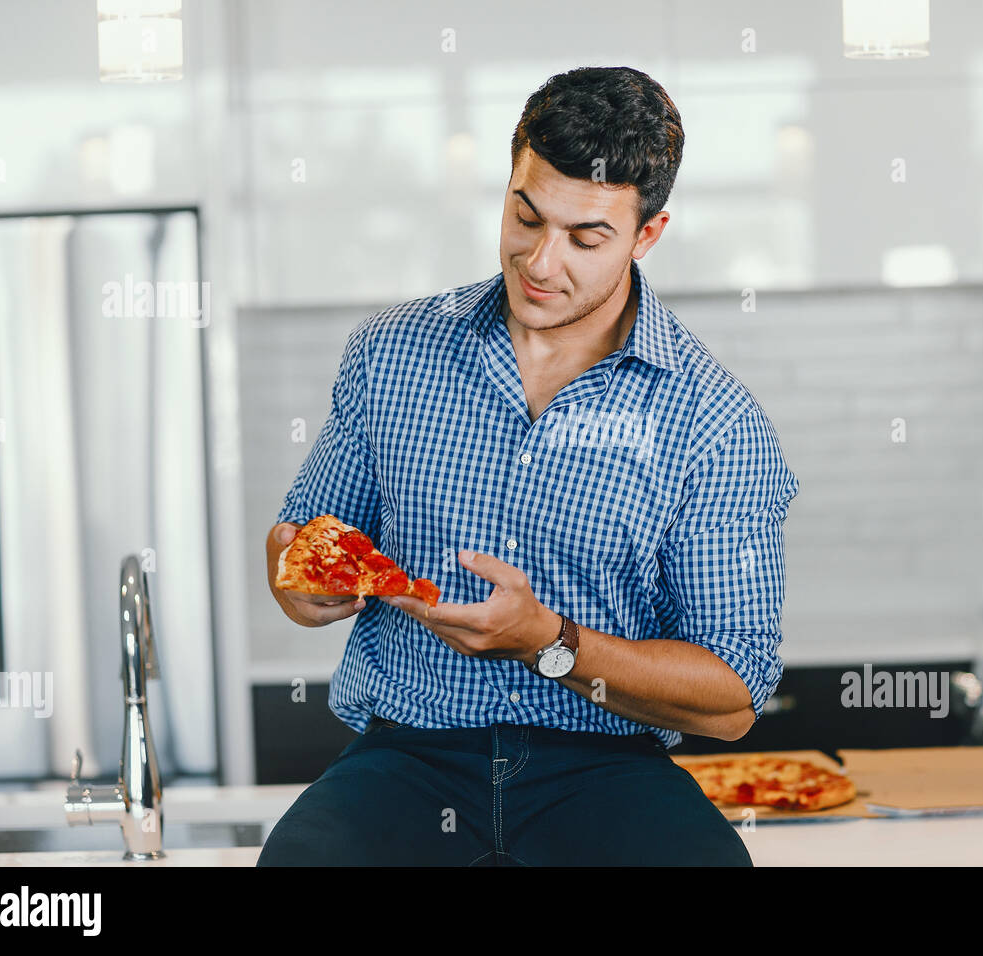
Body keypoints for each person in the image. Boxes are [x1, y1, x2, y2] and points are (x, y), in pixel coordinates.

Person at [256, 65, 799, 866]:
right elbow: (295, 547)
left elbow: (731, 700)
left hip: (607, 770)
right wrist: (304, 581)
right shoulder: (392, 351)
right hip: (407, 757)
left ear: (648, 234)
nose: (542, 263)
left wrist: (552, 641)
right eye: (525, 215)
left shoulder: (715, 423)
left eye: (586, 238)